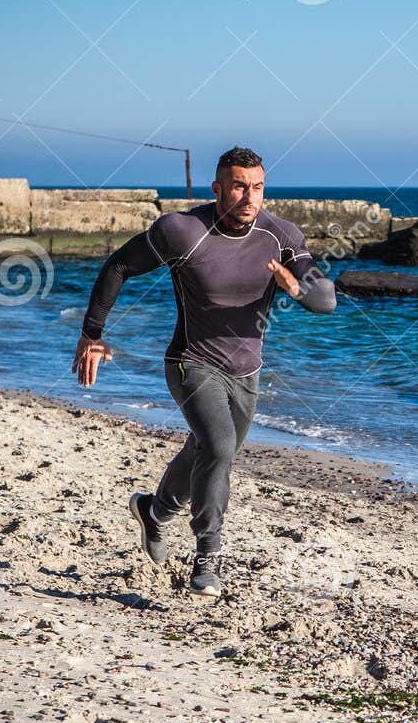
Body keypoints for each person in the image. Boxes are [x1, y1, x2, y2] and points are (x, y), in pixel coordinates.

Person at [72, 146, 336, 596]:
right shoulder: (182, 230)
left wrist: (296, 288)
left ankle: (153, 512)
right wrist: (92, 333)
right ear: (217, 188)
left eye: (257, 188)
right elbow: (118, 265)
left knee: (208, 452)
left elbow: (325, 299)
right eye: (238, 186)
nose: (250, 197)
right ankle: (207, 558)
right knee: (219, 444)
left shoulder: (281, 235)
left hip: (247, 371)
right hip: (190, 361)